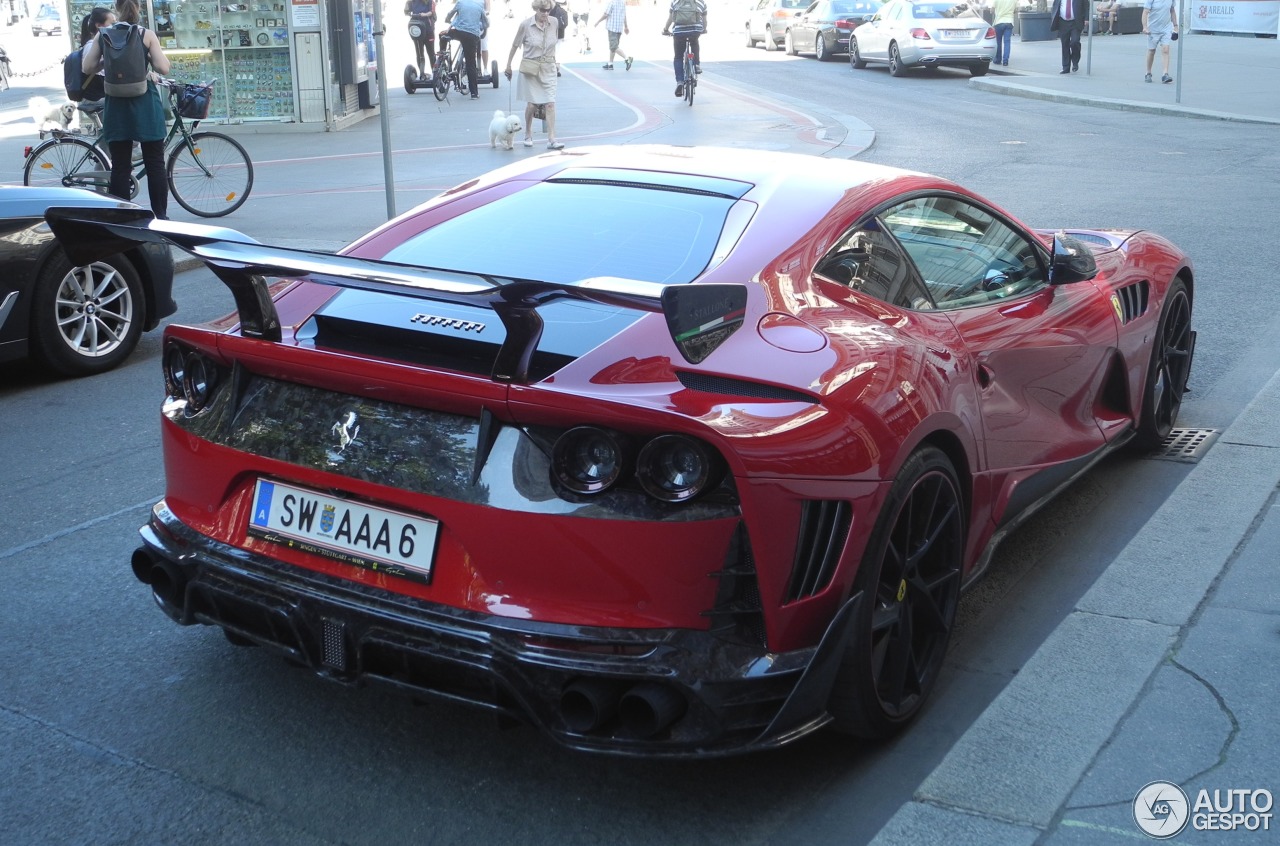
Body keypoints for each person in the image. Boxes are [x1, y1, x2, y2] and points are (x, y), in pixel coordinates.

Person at [82, 0, 171, 219]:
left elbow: (87, 67)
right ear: (138, 8)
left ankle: (122, 218)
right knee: (155, 163)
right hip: (145, 103)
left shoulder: (103, 35)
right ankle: (160, 216)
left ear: (116, 8)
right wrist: (146, 57)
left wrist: (107, 61)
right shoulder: (146, 34)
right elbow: (163, 68)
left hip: (116, 105)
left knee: (120, 165)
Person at [505, 0, 564, 150]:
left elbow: (555, 44)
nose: (546, 13)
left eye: (548, 10)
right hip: (531, 69)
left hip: (549, 68)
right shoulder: (525, 25)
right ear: (536, 9)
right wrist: (508, 65)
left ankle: (551, 139)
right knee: (532, 105)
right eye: (542, 10)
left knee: (550, 104)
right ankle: (528, 132)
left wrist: (556, 61)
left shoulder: (554, 22)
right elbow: (514, 45)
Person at [661, 0, 705, 99]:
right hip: (695, 31)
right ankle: (696, 65)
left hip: (679, 32)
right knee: (694, 42)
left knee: (678, 57)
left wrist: (665, 29)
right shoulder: (700, 2)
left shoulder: (675, 2)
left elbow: (671, 18)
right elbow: (704, 18)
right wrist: (704, 29)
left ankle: (680, 82)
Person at [445, 0, 486, 98]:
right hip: (472, 35)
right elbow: (485, 23)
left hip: (458, 32)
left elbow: (450, 14)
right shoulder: (480, 4)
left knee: (442, 35)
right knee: (470, 63)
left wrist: (447, 19)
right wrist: (482, 28)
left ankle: (442, 58)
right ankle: (474, 93)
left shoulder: (460, 2)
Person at [1142, 0, 1176, 83]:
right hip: (1153, 29)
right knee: (1151, 51)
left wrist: (1175, 26)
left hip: (1166, 28)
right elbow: (1145, 12)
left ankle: (1165, 74)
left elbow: (1172, 11)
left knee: (1165, 49)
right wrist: (1145, 27)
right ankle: (1148, 73)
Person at [1049, 0, 1085, 74]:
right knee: (1065, 44)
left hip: (1075, 22)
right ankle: (1066, 67)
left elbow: (1086, 6)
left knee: (1075, 41)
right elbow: (1055, 6)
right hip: (1063, 22)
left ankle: (1075, 61)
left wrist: (1086, 19)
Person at [594, 0, 630, 70]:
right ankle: (610, 64)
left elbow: (606, 14)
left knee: (614, 47)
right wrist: (626, 26)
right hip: (619, 28)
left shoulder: (611, 2)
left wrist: (598, 21)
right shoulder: (622, 2)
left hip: (612, 28)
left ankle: (627, 59)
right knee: (613, 46)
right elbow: (624, 15)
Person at [405, 0, 436, 77]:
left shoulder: (430, 1)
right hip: (417, 30)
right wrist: (408, 12)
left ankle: (435, 73)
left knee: (431, 52)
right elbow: (406, 11)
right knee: (419, 53)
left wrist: (424, 14)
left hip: (428, 30)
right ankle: (422, 73)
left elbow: (432, 12)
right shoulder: (412, 1)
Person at [990, 0, 1014, 66]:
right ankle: (1005, 61)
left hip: (999, 22)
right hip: (1009, 21)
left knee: (998, 42)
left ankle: (998, 59)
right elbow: (1017, 9)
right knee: (1007, 42)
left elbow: (991, 10)